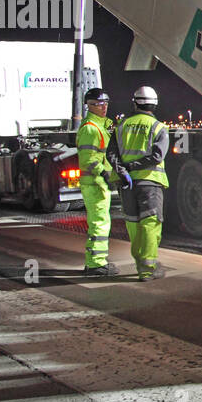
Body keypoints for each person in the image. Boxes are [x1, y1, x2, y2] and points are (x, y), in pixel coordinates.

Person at [109, 86, 170, 281]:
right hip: (150, 182)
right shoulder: (159, 128)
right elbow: (157, 156)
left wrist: (123, 170)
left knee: (133, 224)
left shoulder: (121, 126)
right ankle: (148, 269)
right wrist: (135, 165)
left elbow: (111, 154)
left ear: (134, 103)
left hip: (127, 184)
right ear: (155, 104)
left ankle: (140, 264)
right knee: (150, 224)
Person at [77, 88, 119, 277]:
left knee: (101, 222)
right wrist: (105, 174)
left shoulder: (100, 125)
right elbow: (89, 159)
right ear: (89, 105)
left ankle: (96, 262)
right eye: (99, 104)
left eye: (106, 103)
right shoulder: (90, 129)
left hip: (97, 182)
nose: (104, 107)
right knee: (99, 223)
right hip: (94, 182)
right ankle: (95, 265)